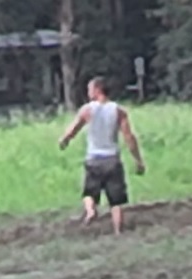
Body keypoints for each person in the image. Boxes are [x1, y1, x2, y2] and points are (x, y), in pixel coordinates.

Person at [58, 77, 146, 234]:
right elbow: (129, 137)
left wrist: (65, 140)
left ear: (98, 89)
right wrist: (138, 160)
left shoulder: (87, 110)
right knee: (116, 201)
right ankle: (118, 231)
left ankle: (90, 210)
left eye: (90, 89)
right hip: (112, 159)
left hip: (93, 159)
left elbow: (73, 129)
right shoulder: (118, 111)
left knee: (89, 193)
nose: (88, 92)